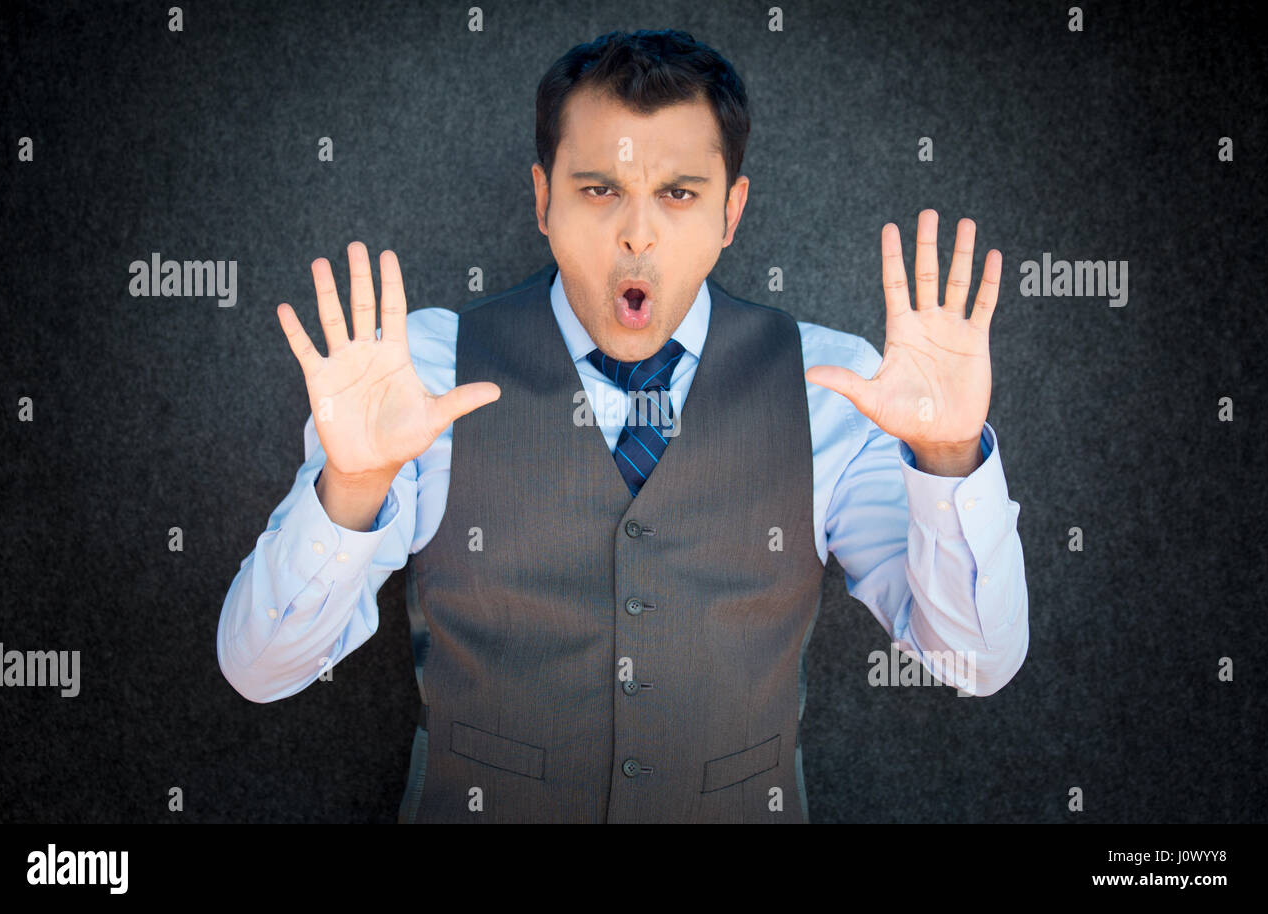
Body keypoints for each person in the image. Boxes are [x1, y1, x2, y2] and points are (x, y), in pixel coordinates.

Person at [217, 28, 1028, 823]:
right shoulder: (422, 373)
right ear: (542, 199)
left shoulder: (834, 388)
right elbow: (259, 671)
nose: (637, 232)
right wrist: (351, 488)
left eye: (679, 193)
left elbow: (975, 664)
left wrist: (949, 455)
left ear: (730, 213)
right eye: (600, 189)